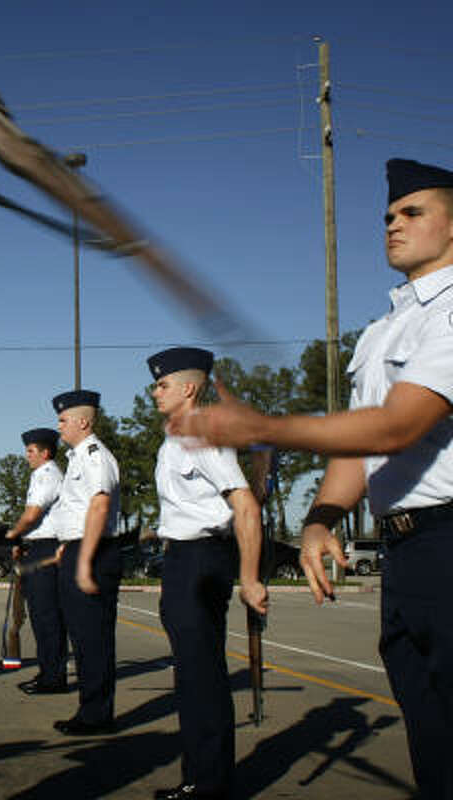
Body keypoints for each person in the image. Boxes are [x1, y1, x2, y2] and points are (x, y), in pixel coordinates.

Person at [169, 158, 453, 800]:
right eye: (387, 216)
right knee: (430, 741)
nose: (393, 225)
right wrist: (322, 516)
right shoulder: (384, 330)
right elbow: (358, 445)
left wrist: (262, 425)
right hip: (408, 551)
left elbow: (393, 428)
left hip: (448, 541)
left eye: (412, 213)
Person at [146, 347, 268, 800]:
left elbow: (244, 505)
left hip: (200, 560)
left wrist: (251, 578)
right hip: (185, 557)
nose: (155, 391)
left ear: (189, 388)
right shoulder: (176, 436)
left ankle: (208, 783)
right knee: (194, 672)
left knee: (200, 675)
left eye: (162, 384)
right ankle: (203, 774)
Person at [46, 389, 121, 736]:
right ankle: (91, 709)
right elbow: (78, 511)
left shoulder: (94, 456)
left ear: (83, 422)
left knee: (93, 638)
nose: (58, 426)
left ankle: (96, 715)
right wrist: (67, 547)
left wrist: (84, 561)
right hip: (78, 548)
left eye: (63, 420)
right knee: (82, 635)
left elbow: (99, 506)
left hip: (94, 552)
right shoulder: (78, 456)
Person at [4, 427, 69, 694]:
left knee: (47, 616)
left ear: (45, 452)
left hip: (47, 548)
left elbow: (32, 515)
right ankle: (48, 672)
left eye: (31, 451)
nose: (27, 456)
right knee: (41, 616)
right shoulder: (41, 474)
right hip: (37, 547)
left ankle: (53, 677)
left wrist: (13, 534)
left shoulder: (48, 475)